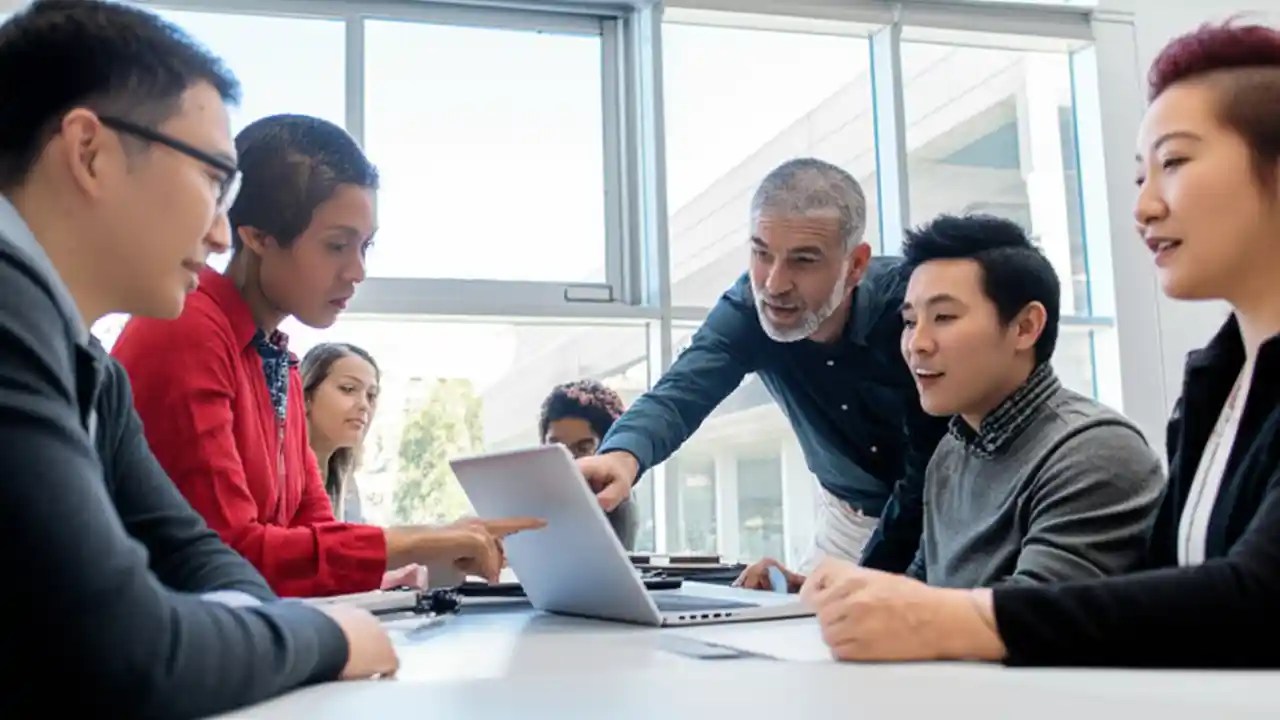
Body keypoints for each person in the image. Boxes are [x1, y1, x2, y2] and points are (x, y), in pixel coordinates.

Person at [800, 21, 1280, 667]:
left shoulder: (1096, 449)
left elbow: (1257, 599)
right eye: (1140, 176)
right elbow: (1167, 597)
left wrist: (951, 618)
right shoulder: (1219, 388)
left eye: (1174, 163)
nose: (1144, 208)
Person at [0, 1, 395, 716]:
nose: (220, 233)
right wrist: (327, 638)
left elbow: (195, 554)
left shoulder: (89, 365)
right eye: (213, 180)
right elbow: (129, 649)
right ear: (89, 151)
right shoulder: (7, 312)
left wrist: (283, 628)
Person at [113, 113, 544, 599]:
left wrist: (414, 555)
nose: (357, 271)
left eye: (365, 246)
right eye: (337, 245)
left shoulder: (278, 359)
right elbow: (228, 554)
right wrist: (422, 540)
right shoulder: (187, 330)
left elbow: (312, 528)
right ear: (256, 236)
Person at [581, 157, 948, 584]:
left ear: (856, 265)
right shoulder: (747, 311)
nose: (774, 284)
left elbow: (926, 480)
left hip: (946, 506)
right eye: (761, 253)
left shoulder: (911, 310)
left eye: (803, 260)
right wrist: (624, 455)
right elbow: (679, 392)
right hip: (849, 517)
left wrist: (860, 588)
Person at [896, 213, 1164, 587]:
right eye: (909, 322)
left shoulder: (1094, 451)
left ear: (1025, 328)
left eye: (943, 316)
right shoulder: (951, 452)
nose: (917, 344)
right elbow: (919, 592)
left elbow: (1033, 621)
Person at [540, 379, 638, 548]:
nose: (571, 461)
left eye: (583, 448)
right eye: (556, 449)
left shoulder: (616, 503)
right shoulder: (538, 499)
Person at [301, 342, 379, 523]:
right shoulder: (278, 476)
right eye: (348, 389)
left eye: (371, 395)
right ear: (306, 397)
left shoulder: (345, 482)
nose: (364, 405)